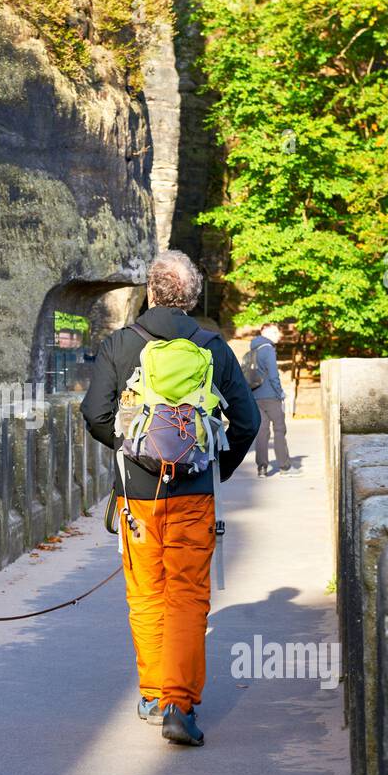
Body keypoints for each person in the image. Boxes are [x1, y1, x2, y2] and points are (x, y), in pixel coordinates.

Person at [81, 251, 259, 746]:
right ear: (191, 297)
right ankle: (179, 707)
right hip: (194, 497)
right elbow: (247, 423)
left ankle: (154, 693)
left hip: (137, 498)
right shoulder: (213, 348)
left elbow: (94, 415)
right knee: (187, 594)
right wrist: (211, 469)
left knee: (146, 594)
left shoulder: (120, 344)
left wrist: (130, 452)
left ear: (152, 292)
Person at [249, 323, 291, 477]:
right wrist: (280, 393)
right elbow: (273, 375)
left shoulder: (253, 348)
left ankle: (261, 467)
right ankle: (284, 466)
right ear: (266, 332)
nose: (278, 335)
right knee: (280, 429)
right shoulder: (268, 349)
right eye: (275, 332)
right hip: (271, 397)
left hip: (255, 396)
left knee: (262, 431)